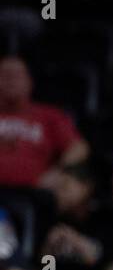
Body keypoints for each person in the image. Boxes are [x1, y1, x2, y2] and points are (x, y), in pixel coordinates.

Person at [0, 55, 89, 190]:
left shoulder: (49, 116)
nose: (10, 80)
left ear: (29, 82)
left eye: (17, 75)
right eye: (5, 75)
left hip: (34, 196)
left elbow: (79, 149)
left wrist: (59, 172)